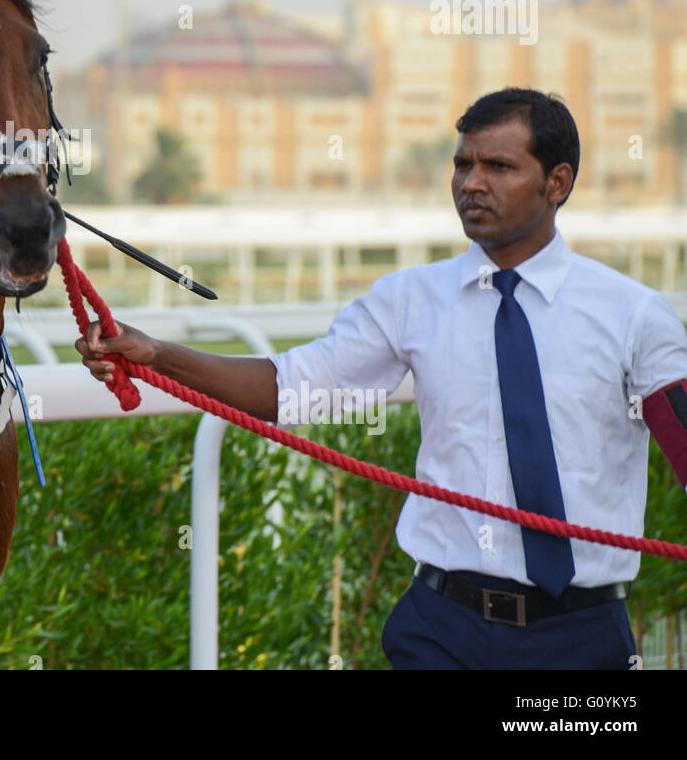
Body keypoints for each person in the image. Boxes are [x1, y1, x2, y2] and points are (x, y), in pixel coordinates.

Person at [76, 88, 687, 669]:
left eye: (498, 166)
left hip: (583, 638)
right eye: (462, 164)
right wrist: (154, 354)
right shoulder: (409, 299)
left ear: (558, 183)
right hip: (442, 630)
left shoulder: (632, 314)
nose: (471, 184)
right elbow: (289, 388)